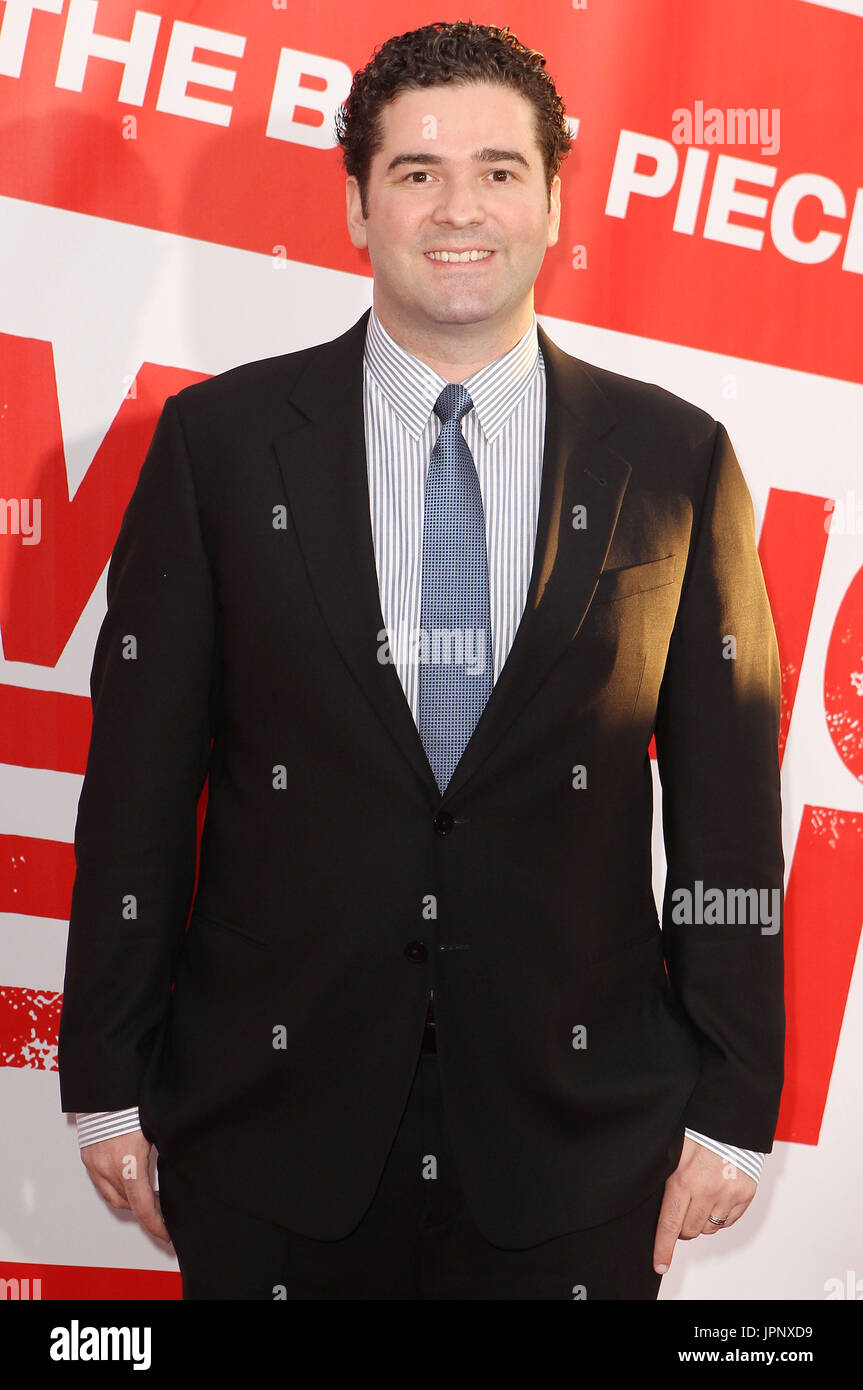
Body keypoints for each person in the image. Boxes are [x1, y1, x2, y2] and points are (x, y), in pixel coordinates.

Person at [58, 20, 785, 1300]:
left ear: (557, 201)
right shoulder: (217, 447)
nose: (461, 209)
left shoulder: (675, 460)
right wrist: (107, 1083)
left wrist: (731, 1100)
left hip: (580, 1151)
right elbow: (136, 792)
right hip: (266, 1138)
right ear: (356, 204)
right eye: (416, 172)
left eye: (501, 171)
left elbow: (727, 824)